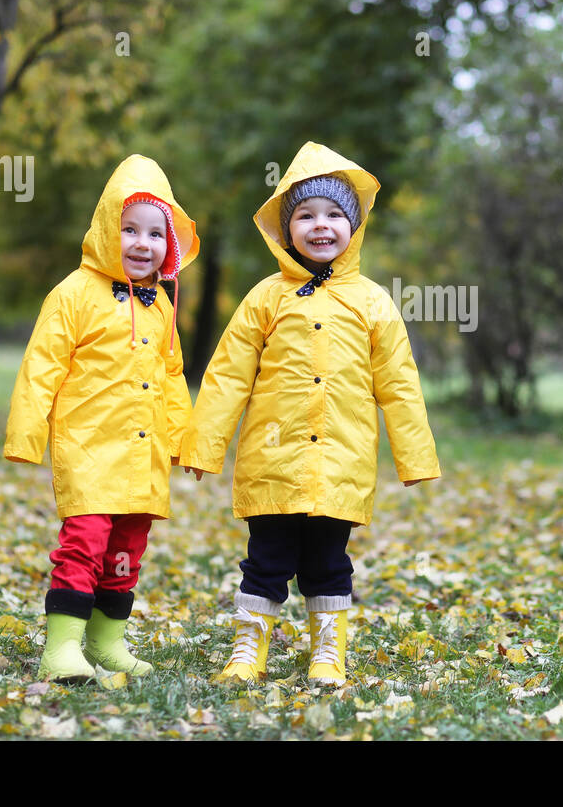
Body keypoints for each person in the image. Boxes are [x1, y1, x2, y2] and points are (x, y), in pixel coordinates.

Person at [180, 141, 439, 686]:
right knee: (266, 559)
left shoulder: (372, 302)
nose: (320, 226)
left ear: (354, 225)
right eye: (306, 216)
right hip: (271, 461)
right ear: (286, 228)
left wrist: (414, 456)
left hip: (340, 463)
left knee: (328, 562)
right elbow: (228, 376)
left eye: (334, 215)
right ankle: (248, 650)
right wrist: (203, 446)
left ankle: (328, 652)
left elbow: (398, 382)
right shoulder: (265, 298)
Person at [4, 154, 199, 683]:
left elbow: (172, 373)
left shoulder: (161, 304)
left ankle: (106, 640)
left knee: (125, 553)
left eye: (155, 234)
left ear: (170, 244)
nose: (141, 243)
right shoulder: (73, 294)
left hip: (144, 454)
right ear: (104, 230)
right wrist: (27, 434)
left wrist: (184, 441)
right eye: (128, 229)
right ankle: (61, 648)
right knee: (85, 543)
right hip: (88, 448)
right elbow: (41, 365)